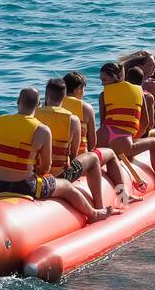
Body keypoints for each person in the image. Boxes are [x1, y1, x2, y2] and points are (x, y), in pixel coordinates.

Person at [0, 87, 110, 222]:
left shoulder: (0, 121)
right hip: (25, 186)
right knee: (66, 186)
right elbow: (46, 167)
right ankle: (94, 214)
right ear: (39, 104)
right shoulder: (42, 130)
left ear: (18, 101)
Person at [37, 78, 127, 211]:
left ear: (46, 95)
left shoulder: (35, 115)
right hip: (61, 174)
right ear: (64, 97)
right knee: (94, 157)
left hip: (38, 174)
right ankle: (103, 205)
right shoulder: (72, 119)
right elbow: (74, 154)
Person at [97, 62, 155, 190]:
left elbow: (103, 121)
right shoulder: (139, 92)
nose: (102, 83)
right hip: (122, 140)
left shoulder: (103, 95)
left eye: (104, 80)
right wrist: (132, 138)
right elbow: (146, 123)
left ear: (115, 77)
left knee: (111, 155)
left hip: (102, 137)